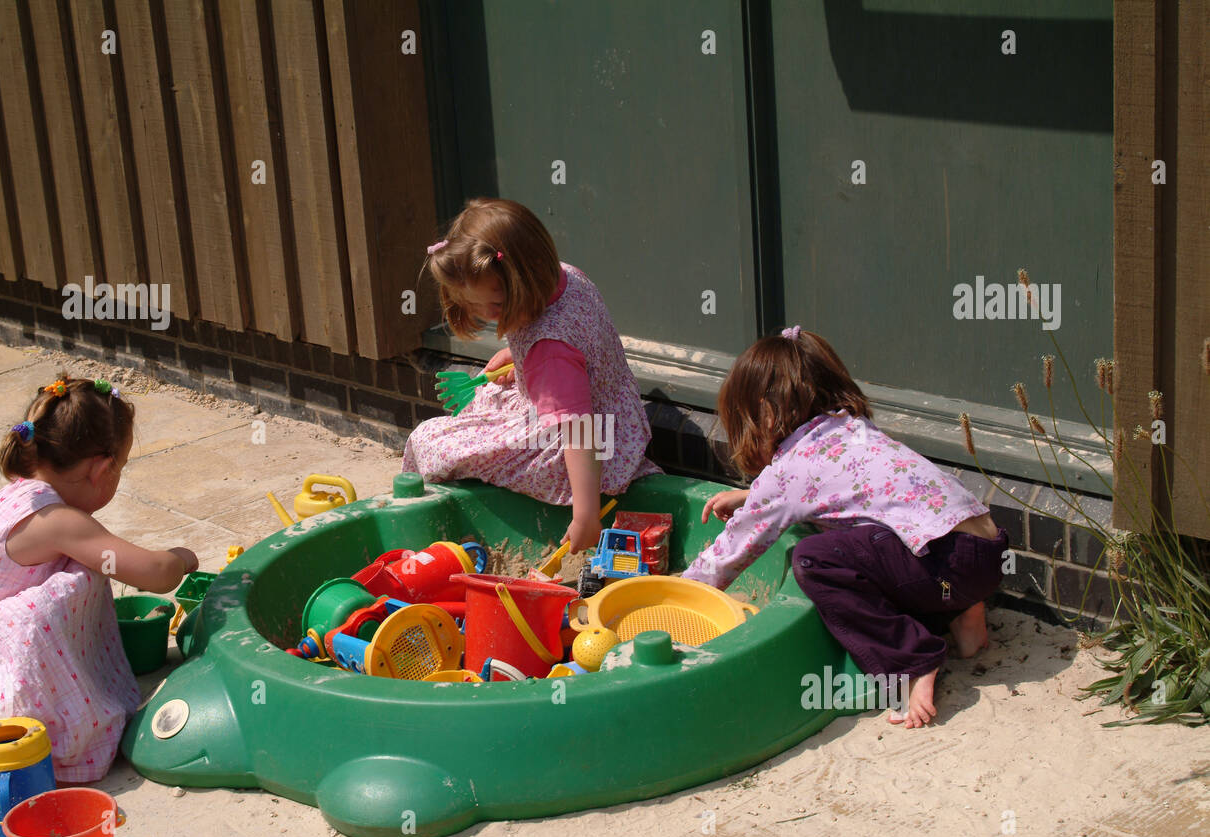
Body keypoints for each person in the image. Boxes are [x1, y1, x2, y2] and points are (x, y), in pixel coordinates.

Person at [681, 329, 1007, 727]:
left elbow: (729, 555)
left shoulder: (787, 475)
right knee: (869, 540)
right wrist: (752, 496)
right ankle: (963, 613)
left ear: (765, 415)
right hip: (984, 552)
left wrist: (679, 594)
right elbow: (838, 491)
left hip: (947, 563)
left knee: (815, 559)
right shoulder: (848, 429)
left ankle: (913, 662)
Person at [0, 374, 198, 810]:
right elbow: (153, 574)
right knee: (81, 576)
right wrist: (182, 557)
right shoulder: (57, 521)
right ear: (102, 469)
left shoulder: (15, 498)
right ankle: (66, 729)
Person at [403, 197, 659, 551]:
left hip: (582, 445)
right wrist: (518, 354)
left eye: (492, 305)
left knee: (429, 440)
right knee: (487, 396)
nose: (482, 314)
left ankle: (441, 525)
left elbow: (579, 432)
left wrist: (586, 515)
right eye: (469, 303)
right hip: (615, 412)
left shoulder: (549, 350)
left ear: (524, 279)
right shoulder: (564, 275)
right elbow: (578, 343)